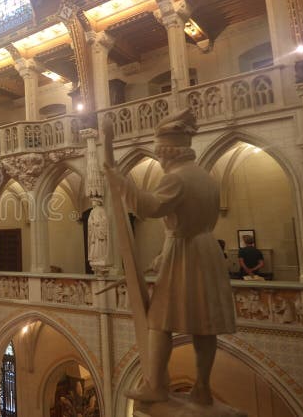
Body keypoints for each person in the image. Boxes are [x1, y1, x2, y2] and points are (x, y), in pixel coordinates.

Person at [104, 109, 235, 406]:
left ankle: (156, 386)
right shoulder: (205, 177)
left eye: (159, 154)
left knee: (159, 321)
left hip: (185, 250)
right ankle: (202, 388)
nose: (159, 160)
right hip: (205, 250)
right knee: (205, 325)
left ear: (167, 153)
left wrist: (120, 181)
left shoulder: (176, 178)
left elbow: (148, 208)